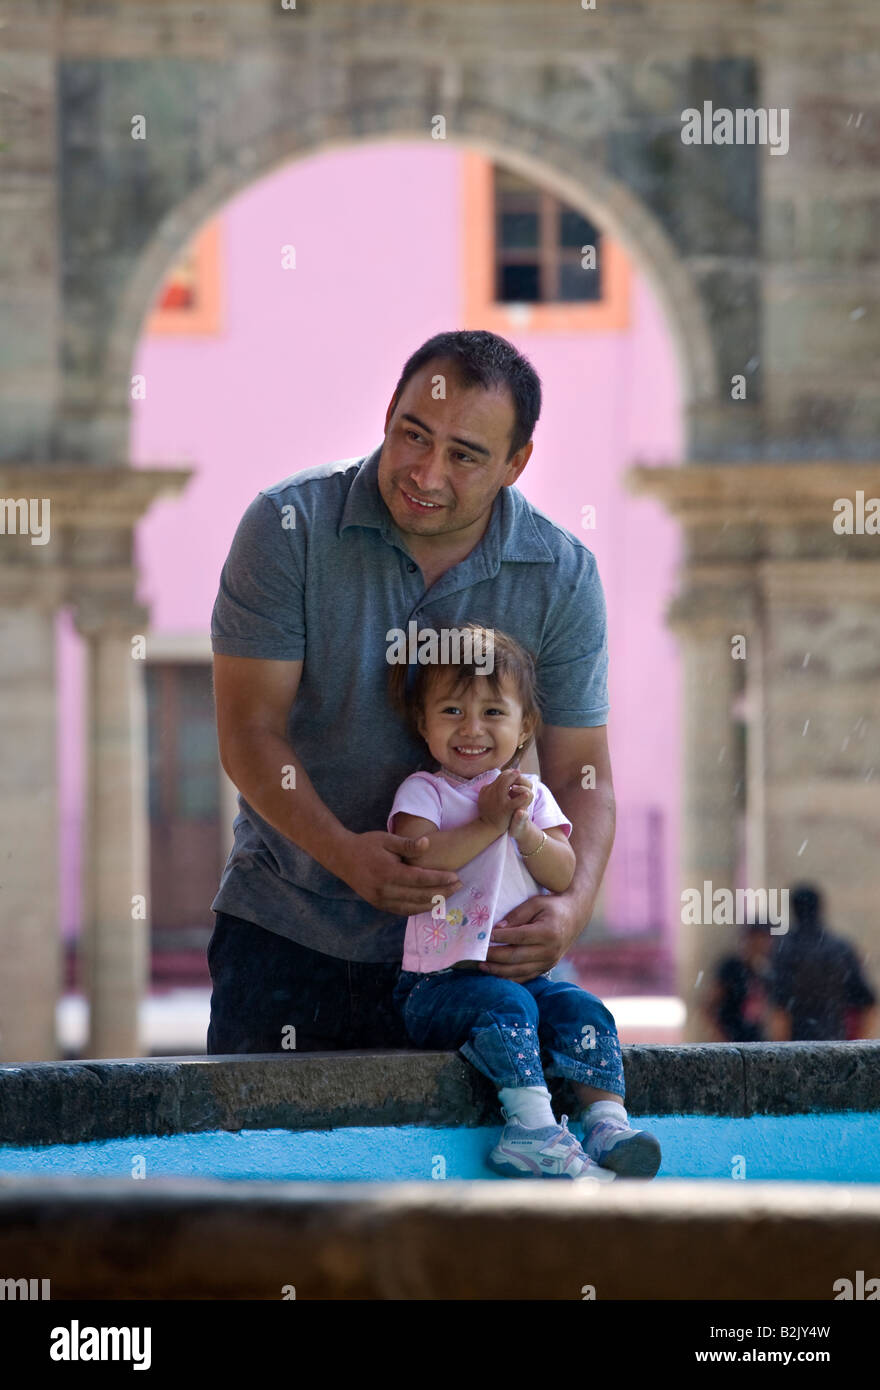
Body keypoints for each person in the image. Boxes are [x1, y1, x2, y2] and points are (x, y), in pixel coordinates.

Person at [207, 328, 616, 1121]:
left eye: (465, 455)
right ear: (389, 412)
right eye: (413, 435)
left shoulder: (563, 575)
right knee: (268, 1190)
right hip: (290, 939)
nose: (426, 474)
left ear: (516, 463)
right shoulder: (287, 526)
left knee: (491, 1186)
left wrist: (571, 910)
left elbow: (581, 774)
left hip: (481, 964)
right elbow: (250, 731)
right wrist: (345, 855)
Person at [389, 624, 661, 1179]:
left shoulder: (533, 797)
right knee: (509, 1007)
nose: (472, 728)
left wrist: (525, 831)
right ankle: (530, 1130)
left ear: (525, 726)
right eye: (451, 711)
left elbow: (563, 872)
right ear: (422, 723)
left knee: (581, 1008)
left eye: (493, 712)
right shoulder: (424, 791)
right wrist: (490, 822)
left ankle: (606, 1122)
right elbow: (420, 862)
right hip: (437, 986)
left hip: (526, 979)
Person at [767, 884, 877, 1042]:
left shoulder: (784, 948)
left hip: (795, 1045)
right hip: (834, 1039)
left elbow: (779, 1009)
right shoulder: (840, 947)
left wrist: (779, 1046)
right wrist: (858, 1042)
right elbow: (867, 1001)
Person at [703, 921, 774, 1042]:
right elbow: (709, 1005)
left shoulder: (764, 971)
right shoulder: (732, 967)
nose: (765, 944)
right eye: (760, 938)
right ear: (749, 939)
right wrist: (720, 1037)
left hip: (754, 1043)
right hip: (732, 1041)